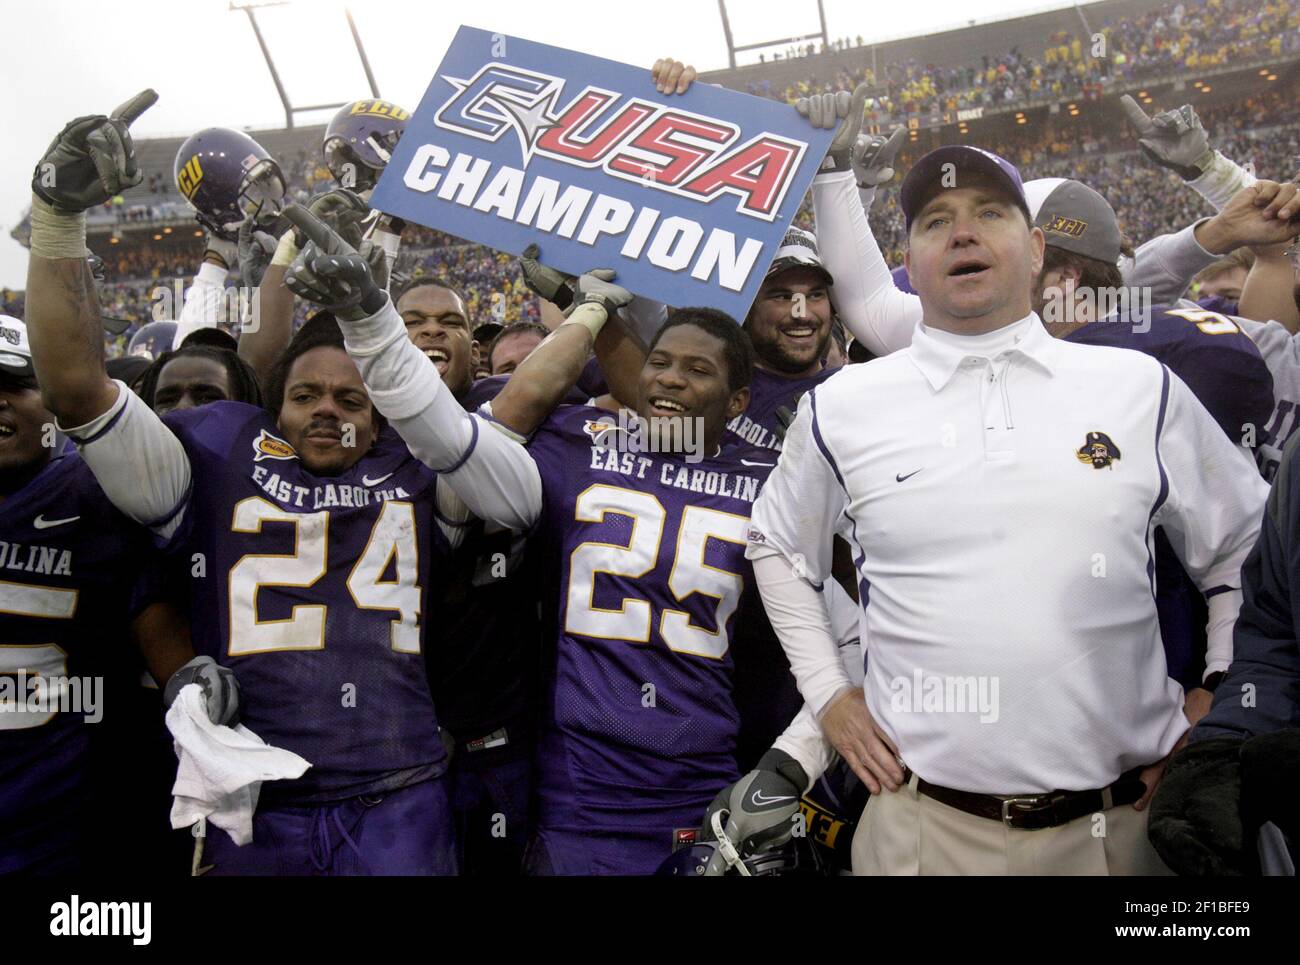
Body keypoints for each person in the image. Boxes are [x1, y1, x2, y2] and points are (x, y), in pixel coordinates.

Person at [22, 91, 528, 876]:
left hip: (399, 797)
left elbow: (503, 478)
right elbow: (76, 389)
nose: (328, 409)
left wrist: (371, 311)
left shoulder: (418, 464)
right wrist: (56, 219)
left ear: (382, 409)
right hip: (257, 802)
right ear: (268, 406)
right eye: (305, 395)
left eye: (350, 398)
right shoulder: (219, 458)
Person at [281, 204, 852, 874]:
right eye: (661, 362)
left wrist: (788, 765)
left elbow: (851, 640)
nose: (669, 378)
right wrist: (371, 321)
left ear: (735, 402)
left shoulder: (773, 482)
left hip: (703, 790)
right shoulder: (578, 450)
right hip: (577, 796)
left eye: (696, 370)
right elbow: (450, 438)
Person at [744, 144, 1268, 875]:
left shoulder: (1139, 387)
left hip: (1118, 829)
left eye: (990, 213)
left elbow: (1246, 542)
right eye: (935, 221)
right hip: (921, 829)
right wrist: (830, 694)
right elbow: (774, 543)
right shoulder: (843, 405)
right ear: (913, 260)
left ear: (1037, 249)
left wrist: (1218, 692)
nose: (962, 232)